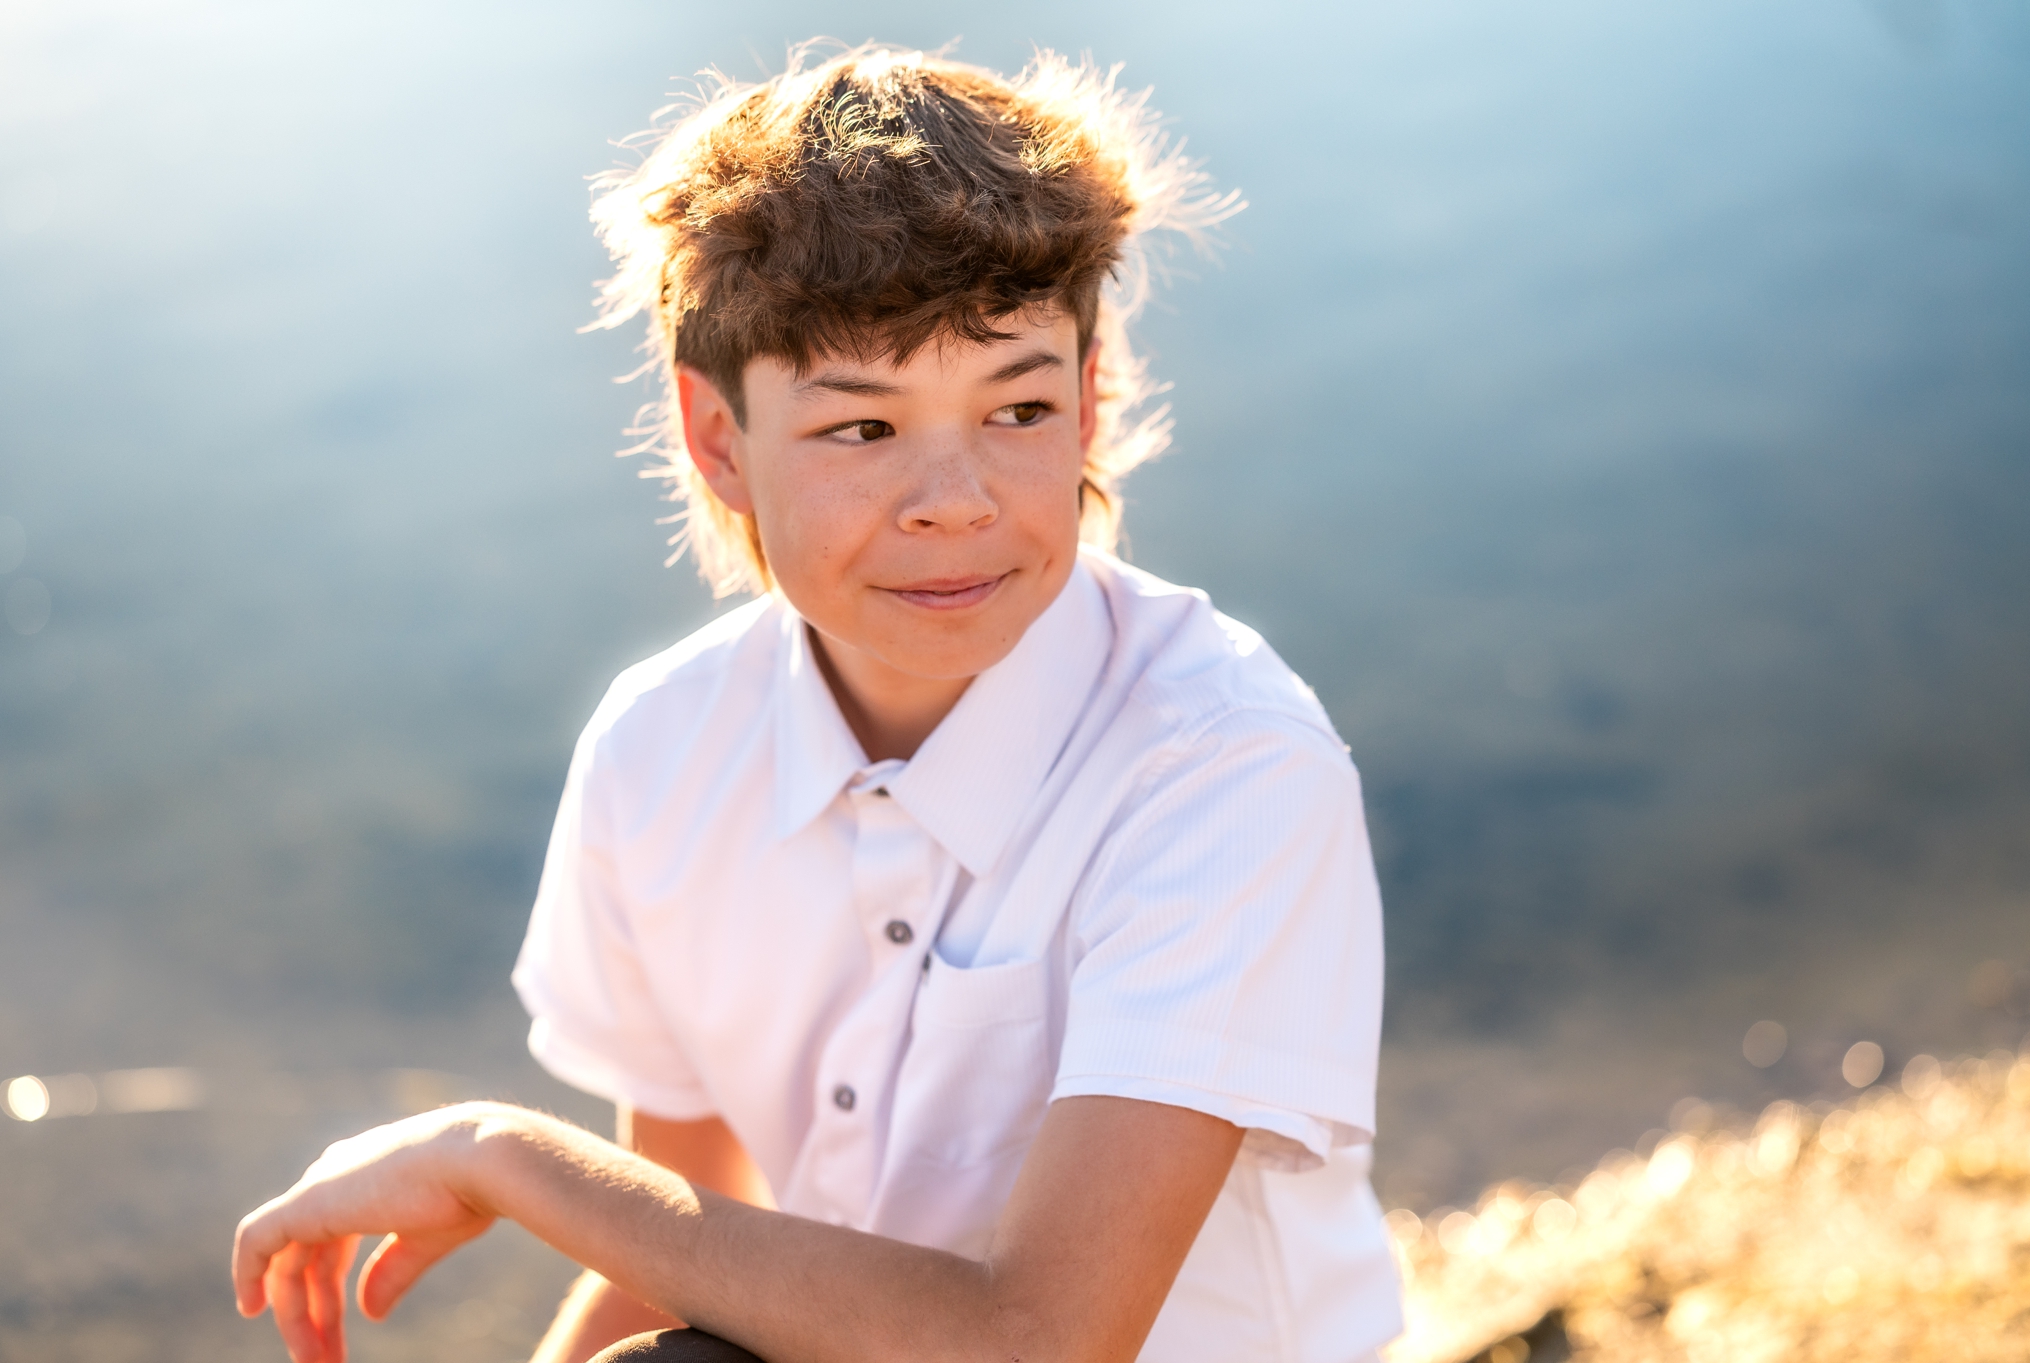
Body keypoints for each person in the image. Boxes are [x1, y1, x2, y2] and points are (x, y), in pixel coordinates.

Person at [231, 44, 1402, 1363]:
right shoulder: (659, 754)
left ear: (1091, 402)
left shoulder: (1225, 765)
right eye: (863, 428)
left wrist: (503, 1154)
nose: (956, 500)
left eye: (1019, 405)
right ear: (718, 440)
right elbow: (688, 1230)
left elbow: (1041, 1345)